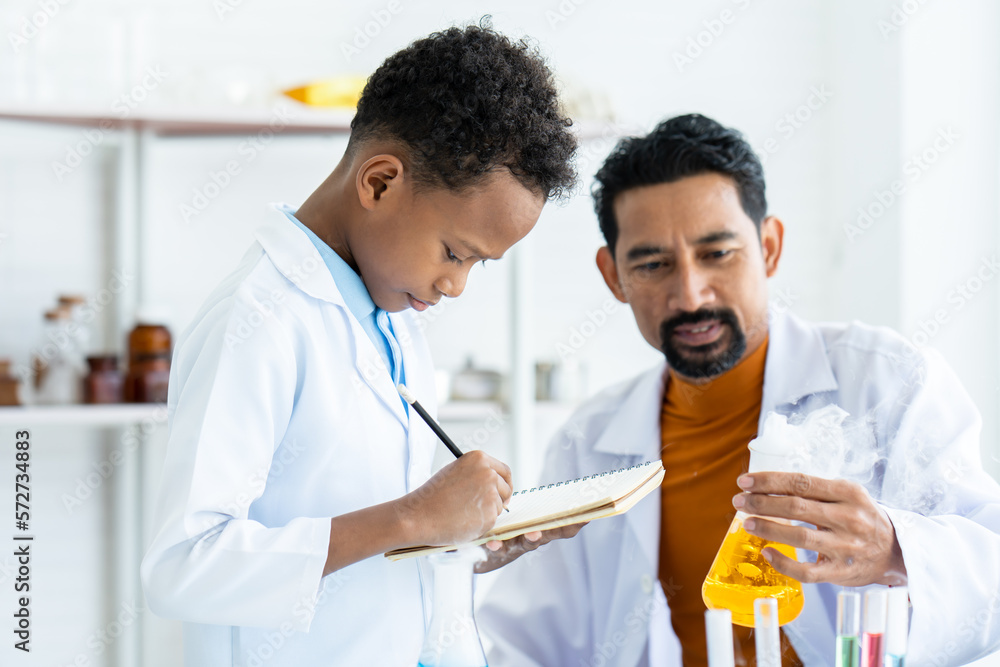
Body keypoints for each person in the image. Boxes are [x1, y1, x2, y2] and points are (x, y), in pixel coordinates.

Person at [479, 114, 1000, 666]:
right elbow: (527, 646)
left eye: (717, 254)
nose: (691, 294)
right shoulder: (587, 441)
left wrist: (893, 549)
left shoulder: (886, 380)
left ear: (769, 247)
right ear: (614, 277)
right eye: (653, 264)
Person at [140, 25, 577, 666]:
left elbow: (352, 544)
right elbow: (184, 567)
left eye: (477, 265)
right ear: (378, 183)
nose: (455, 285)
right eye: (455, 253)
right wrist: (415, 518)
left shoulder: (389, 312)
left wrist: (461, 543)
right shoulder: (259, 318)